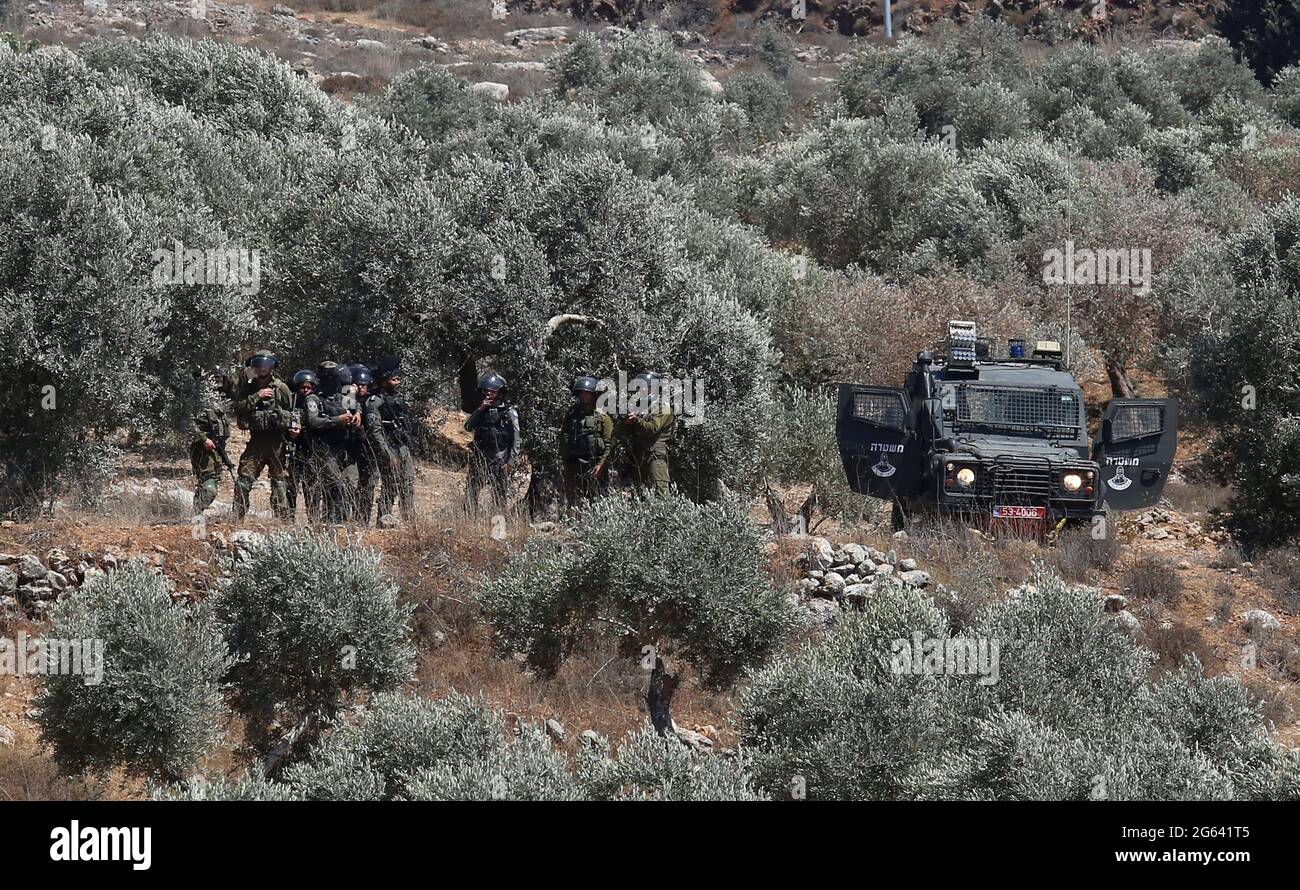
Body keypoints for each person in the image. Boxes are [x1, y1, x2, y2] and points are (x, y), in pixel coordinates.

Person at [232, 350, 296, 520]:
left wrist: (294, 428)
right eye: (258, 365)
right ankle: (237, 517)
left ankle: (283, 522)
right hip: (257, 442)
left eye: (265, 365)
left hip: (278, 443)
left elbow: (292, 411)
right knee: (243, 481)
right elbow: (238, 407)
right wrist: (257, 397)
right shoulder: (249, 388)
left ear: (272, 366)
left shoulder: (280, 388)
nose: (262, 368)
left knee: (279, 483)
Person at [310, 362, 362, 522]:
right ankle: (329, 521)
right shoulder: (314, 398)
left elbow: (354, 407)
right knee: (334, 486)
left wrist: (357, 414)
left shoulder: (343, 396)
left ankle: (343, 520)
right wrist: (336, 420)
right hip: (326, 448)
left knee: (350, 484)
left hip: (346, 448)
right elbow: (313, 421)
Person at [464, 371, 520, 515]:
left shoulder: (509, 412)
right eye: (486, 390)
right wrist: (480, 409)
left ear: (500, 392)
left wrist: (510, 461)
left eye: (492, 391)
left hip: (499, 459)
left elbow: (516, 439)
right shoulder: (481, 410)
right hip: (480, 458)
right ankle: (470, 523)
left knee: (499, 497)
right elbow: (468, 427)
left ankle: (498, 532)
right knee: (471, 491)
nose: (489, 393)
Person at [370, 356, 416, 524]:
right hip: (390, 449)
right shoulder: (375, 402)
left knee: (408, 486)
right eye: (394, 379)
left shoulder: (396, 399)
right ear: (383, 381)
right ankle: (383, 522)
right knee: (391, 487)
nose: (398, 382)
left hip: (403, 448)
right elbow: (375, 432)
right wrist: (387, 454)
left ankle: (410, 523)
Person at [617, 372, 675, 496]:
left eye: (647, 387)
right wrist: (626, 423)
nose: (644, 390)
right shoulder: (640, 406)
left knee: (661, 495)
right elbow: (627, 433)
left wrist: (636, 420)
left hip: (655, 457)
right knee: (638, 494)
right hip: (638, 457)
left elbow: (653, 428)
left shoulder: (663, 408)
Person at [559, 375, 613, 509]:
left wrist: (600, 465)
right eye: (582, 393)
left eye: (587, 394)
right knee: (574, 500)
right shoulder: (571, 414)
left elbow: (608, 445)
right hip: (573, 464)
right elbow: (564, 436)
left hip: (593, 465)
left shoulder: (602, 416)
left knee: (596, 500)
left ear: (594, 395)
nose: (584, 396)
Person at [190, 367, 235, 515]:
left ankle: (196, 515)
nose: (216, 381)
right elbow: (189, 424)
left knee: (211, 482)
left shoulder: (218, 400)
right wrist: (203, 439)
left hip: (217, 450)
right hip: (203, 450)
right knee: (209, 487)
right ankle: (196, 515)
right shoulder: (196, 399)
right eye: (213, 377)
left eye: (218, 377)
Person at [286, 369, 320, 521]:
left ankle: (313, 519)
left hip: (311, 449)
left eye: (308, 387)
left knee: (311, 487)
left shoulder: (316, 402)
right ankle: (287, 518)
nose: (305, 390)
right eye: (302, 387)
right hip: (294, 449)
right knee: (290, 486)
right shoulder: (291, 403)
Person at [349, 364, 381, 525]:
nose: (361, 388)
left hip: (369, 449)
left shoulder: (373, 399)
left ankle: (363, 521)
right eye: (358, 385)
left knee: (368, 487)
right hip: (353, 449)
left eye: (364, 385)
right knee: (351, 484)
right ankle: (352, 519)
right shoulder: (347, 398)